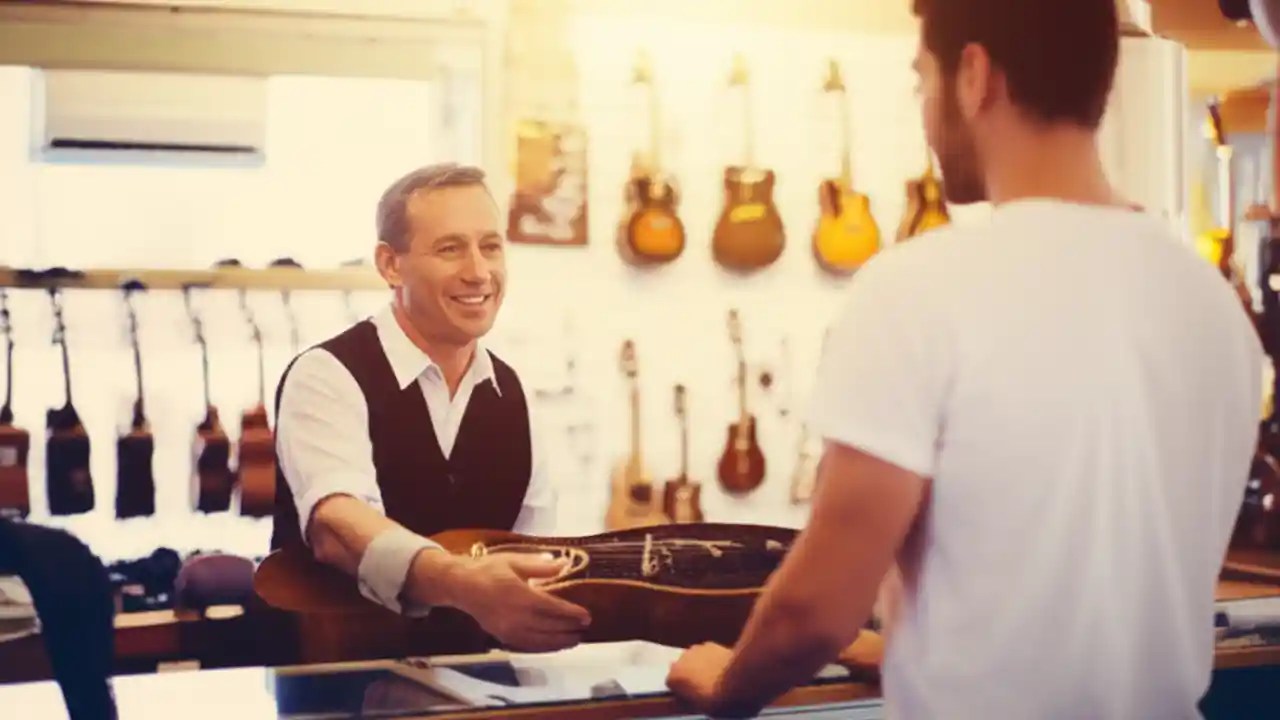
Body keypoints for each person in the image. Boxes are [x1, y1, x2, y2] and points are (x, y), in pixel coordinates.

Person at [666, 1, 1263, 718]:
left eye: (923, 80)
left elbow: (813, 612)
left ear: (975, 76)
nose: (924, 111)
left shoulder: (918, 287)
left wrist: (724, 689)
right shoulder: (1210, 301)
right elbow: (1071, 606)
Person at [271, 163, 591, 653]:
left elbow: (532, 550)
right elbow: (337, 527)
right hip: (334, 682)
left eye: (490, 246)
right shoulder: (326, 374)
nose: (479, 272)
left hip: (478, 689)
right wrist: (461, 582)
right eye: (450, 248)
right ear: (390, 264)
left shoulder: (513, 392)